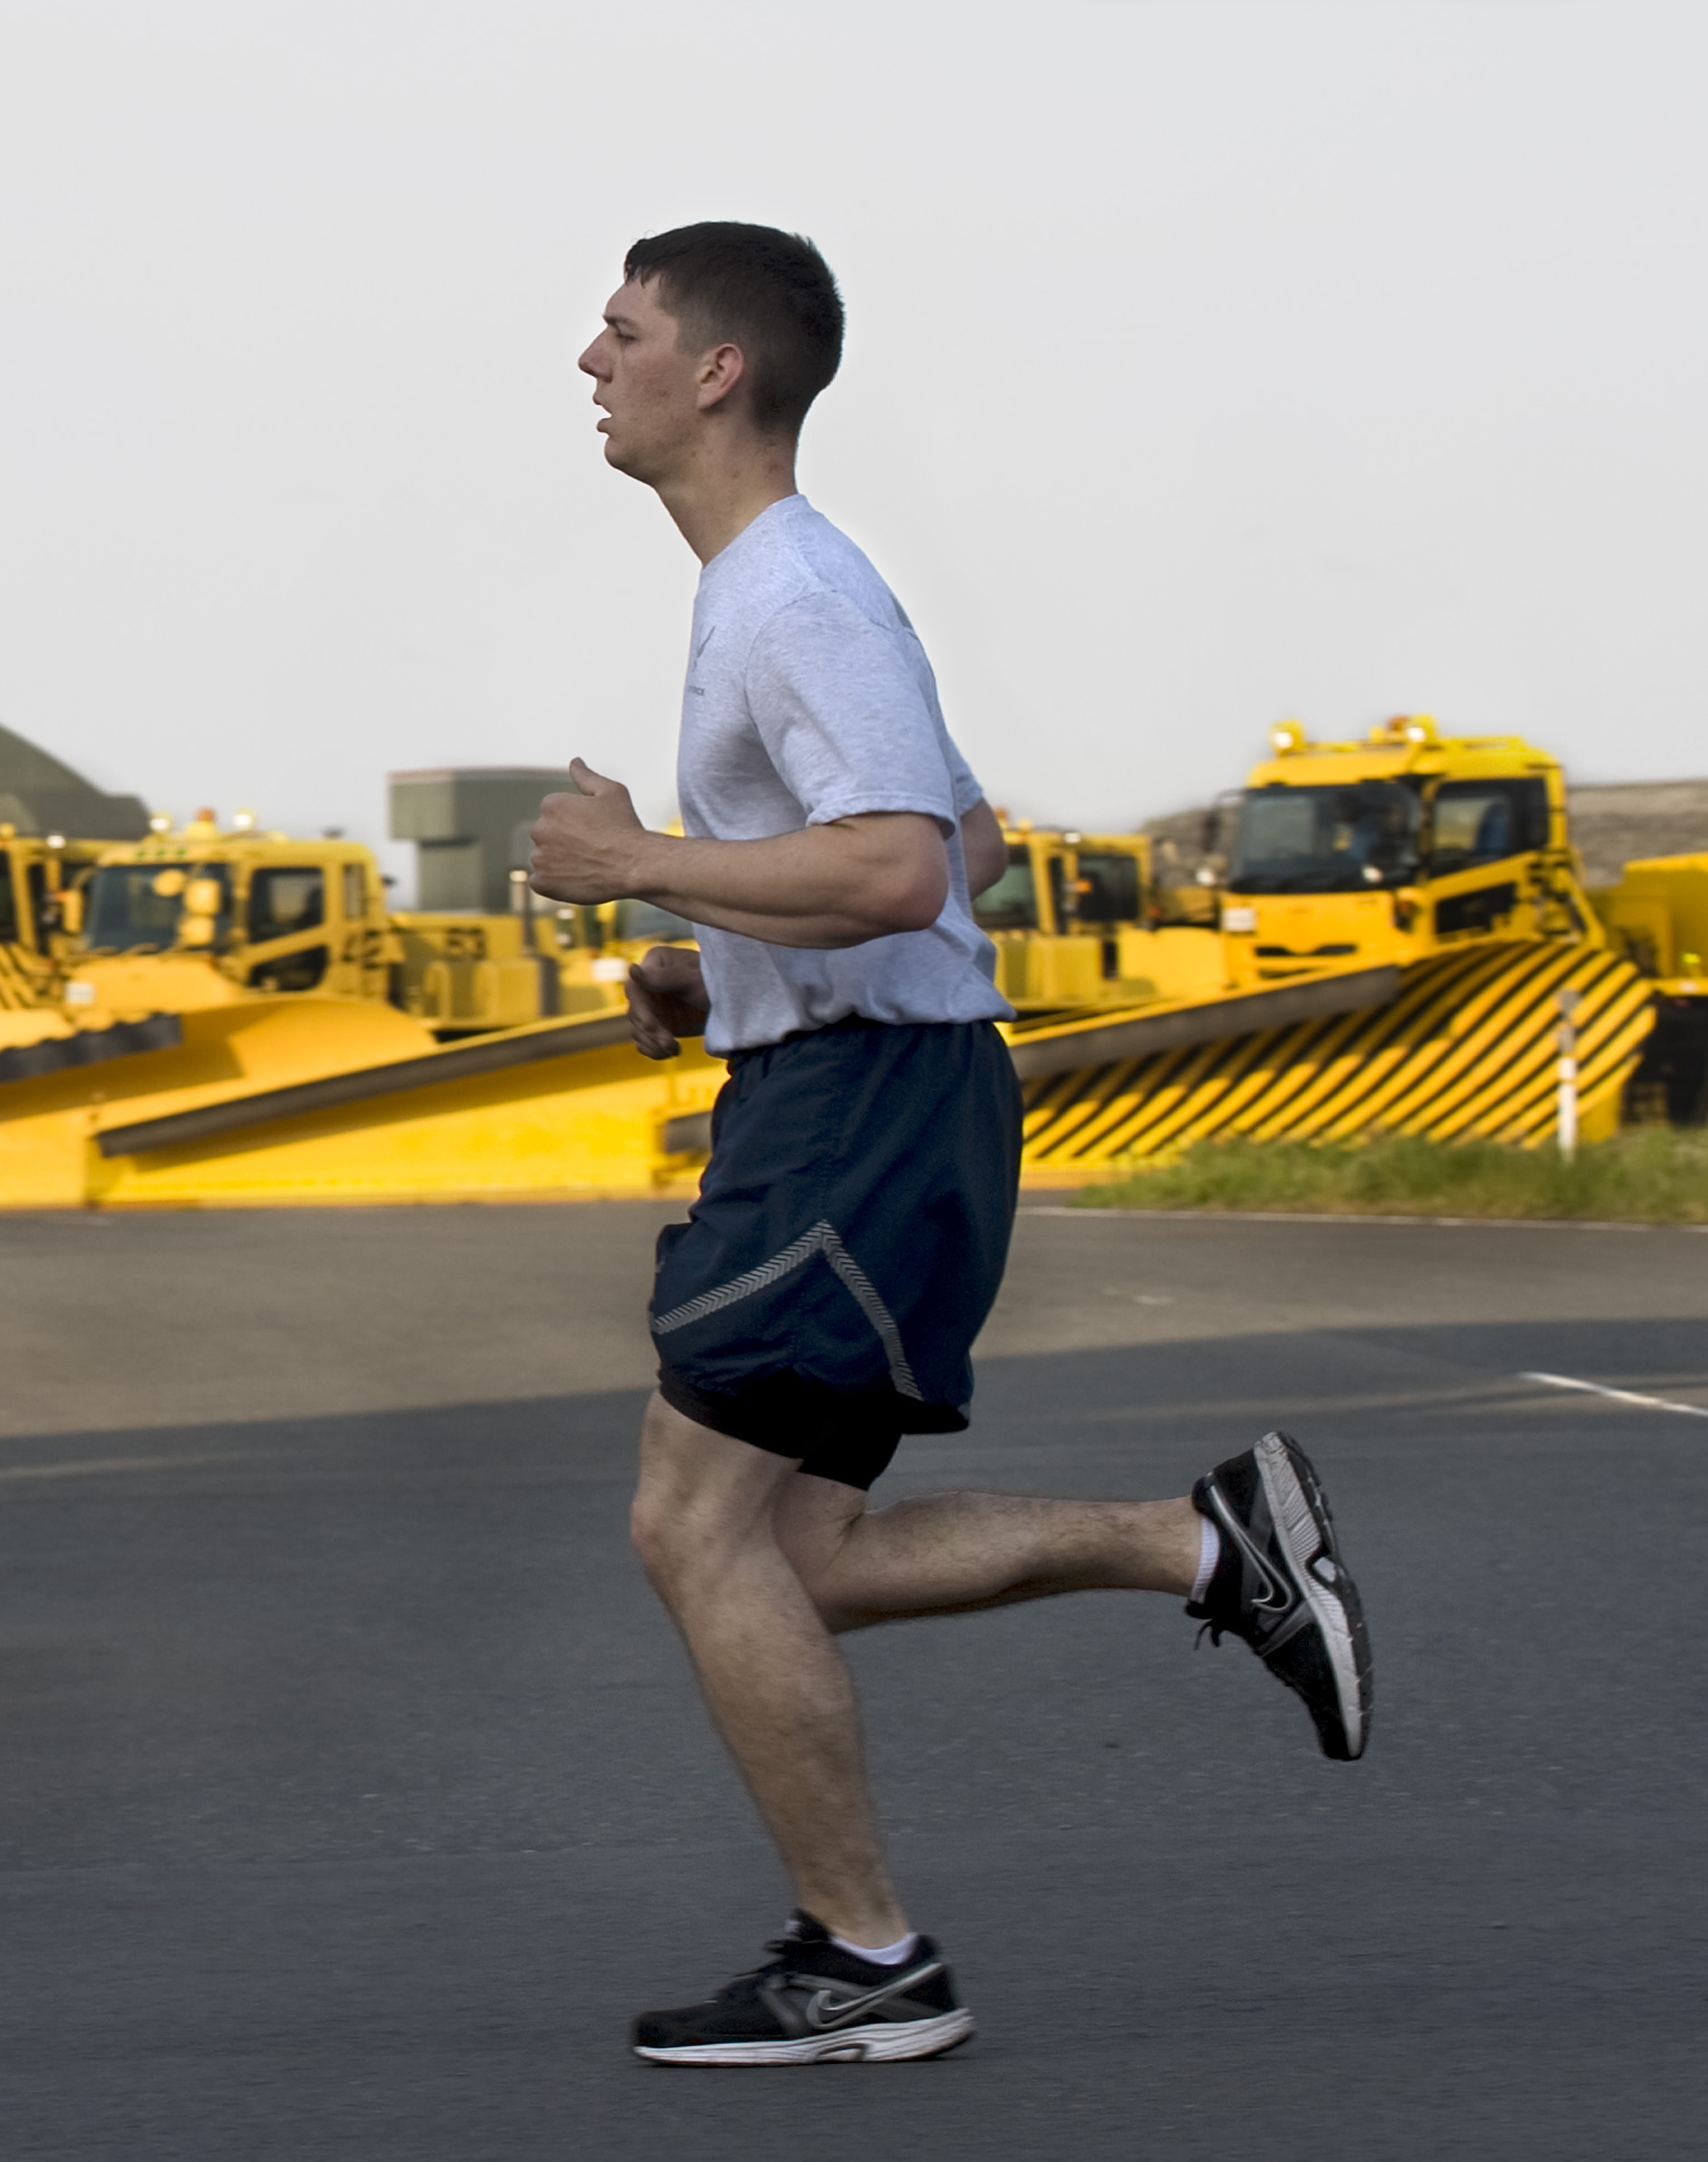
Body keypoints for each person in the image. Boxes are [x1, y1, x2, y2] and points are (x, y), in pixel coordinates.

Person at [527, 222, 1370, 2068]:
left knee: (689, 1528)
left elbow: (906, 869)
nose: (592, 360)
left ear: (720, 370)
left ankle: (870, 1958)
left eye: (622, 329)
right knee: (791, 1557)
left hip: (861, 1109)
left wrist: (635, 863)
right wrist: (714, 959)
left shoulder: (789, 595)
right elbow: (968, 837)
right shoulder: (773, 588)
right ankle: (1204, 1543)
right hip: (853, 1089)